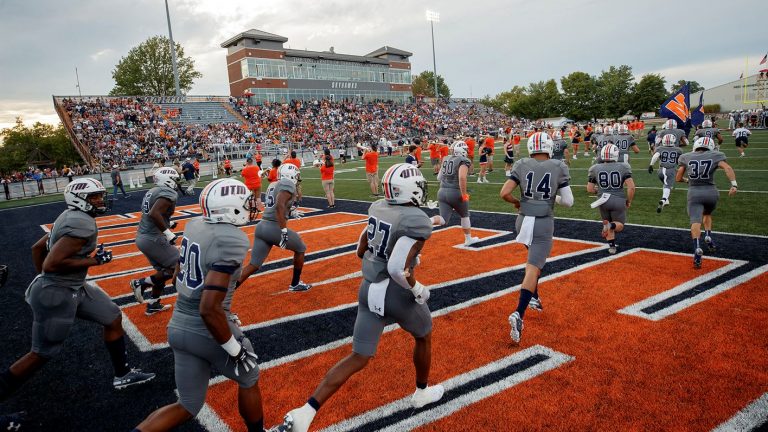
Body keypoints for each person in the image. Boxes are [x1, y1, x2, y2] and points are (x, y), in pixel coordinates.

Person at [275, 163, 444, 432]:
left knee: (359, 356)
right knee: (424, 335)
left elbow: (360, 248)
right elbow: (397, 268)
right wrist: (417, 288)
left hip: (368, 288)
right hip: (395, 291)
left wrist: (430, 222)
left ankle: (306, 412)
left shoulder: (378, 208)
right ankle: (421, 392)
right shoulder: (415, 220)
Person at [132, 179, 288, 432]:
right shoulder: (231, 239)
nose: (251, 205)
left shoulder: (195, 224)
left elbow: (176, 277)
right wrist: (234, 348)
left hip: (178, 323)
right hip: (205, 327)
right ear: (230, 207)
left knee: (187, 405)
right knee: (249, 378)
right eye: (245, 201)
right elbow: (208, 308)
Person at [0, 179, 155, 403]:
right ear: (79, 199)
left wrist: (45, 277)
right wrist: (93, 262)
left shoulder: (69, 216)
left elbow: (37, 249)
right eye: (94, 197)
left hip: (74, 287)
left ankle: (123, 374)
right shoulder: (82, 224)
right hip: (58, 293)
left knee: (112, 315)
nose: (101, 201)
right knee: (42, 353)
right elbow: (51, 264)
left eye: (100, 195)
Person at [500, 132, 573, 344]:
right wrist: (554, 196)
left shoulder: (522, 163)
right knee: (533, 267)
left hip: (522, 221)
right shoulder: (558, 166)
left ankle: (534, 297)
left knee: (533, 262)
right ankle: (518, 314)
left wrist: (517, 202)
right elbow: (568, 201)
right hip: (542, 220)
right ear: (549, 147)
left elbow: (504, 193)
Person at [238, 164, 312, 292]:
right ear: (290, 175)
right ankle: (295, 284)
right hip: (273, 227)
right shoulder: (288, 184)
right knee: (301, 248)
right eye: (296, 175)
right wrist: (283, 230)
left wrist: (290, 212)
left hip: (262, 226)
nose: (298, 178)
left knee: (253, 265)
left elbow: (277, 205)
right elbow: (279, 205)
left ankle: (224, 294)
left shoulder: (274, 184)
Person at [676, 137, 738, 269]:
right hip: (711, 192)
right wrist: (734, 185)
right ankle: (708, 235)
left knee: (695, 221)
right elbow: (727, 168)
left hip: (694, 192)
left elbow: (678, 178)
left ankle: (697, 248)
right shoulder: (716, 155)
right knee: (707, 214)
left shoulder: (686, 156)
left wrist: (687, 180)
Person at [130, 167, 181, 315]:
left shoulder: (152, 191)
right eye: (175, 179)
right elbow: (154, 213)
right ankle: (141, 283)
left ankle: (153, 304)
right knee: (179, 266)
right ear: (168, 179)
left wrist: (167, 224)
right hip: (153, 237)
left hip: (143, 236)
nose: (177, 183)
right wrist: (168, 232)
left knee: (163, 271)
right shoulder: (168, 192)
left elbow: (151, 214)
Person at [587, 144, 635, 254]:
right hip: (618, 198)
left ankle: (612, 247)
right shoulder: (623, 166)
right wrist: (629, 201)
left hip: (602, 200)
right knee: (619, 225)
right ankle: (611, 226)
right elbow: (631, 187)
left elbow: (589, 189)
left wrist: (598, 191)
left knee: (607, 222)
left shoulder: (595, 168)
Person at [435, 141, 480, 245]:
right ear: (462, 150)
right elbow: (462, 178)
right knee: (464, 215)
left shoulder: (446, 159)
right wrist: (464, 194)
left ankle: (430, 221)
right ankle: (468, 239)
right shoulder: (463, 160)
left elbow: (439, 178)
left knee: (443, 219)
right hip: (455, 192)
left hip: (441, 192)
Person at [648, 134, 683, 213]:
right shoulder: (678, 150)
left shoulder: (660, 148)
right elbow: (680, 160)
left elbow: (655, 156)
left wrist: (651, 165)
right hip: (669, 170)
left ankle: (666, 200)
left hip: (660, 170)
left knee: (667, 185)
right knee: (668, 185)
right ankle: (663, 200)